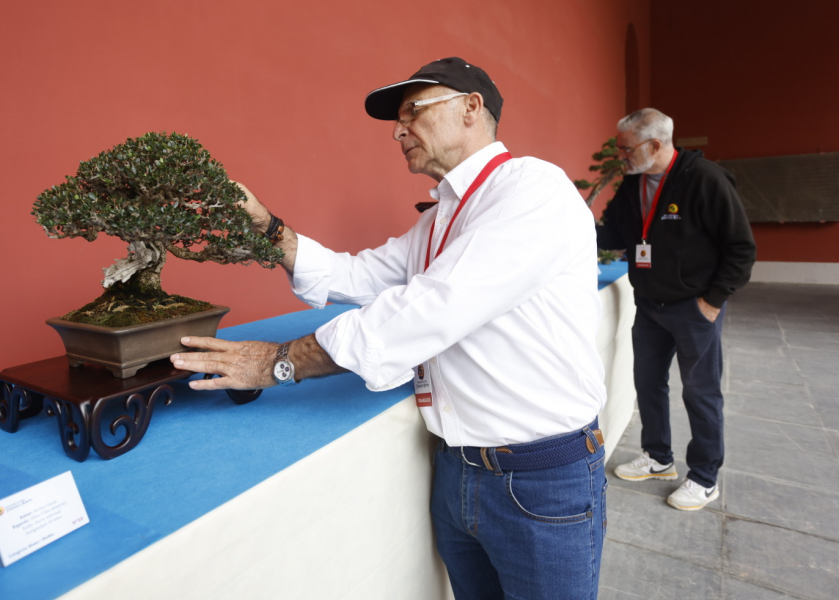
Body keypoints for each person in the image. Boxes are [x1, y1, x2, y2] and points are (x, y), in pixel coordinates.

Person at [171, 57, 608, 599]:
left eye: (413, 112)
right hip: (458, 473)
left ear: (472, 108)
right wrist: (268, 227)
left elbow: (430, 308)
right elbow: (354, 274)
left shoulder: (531, 189)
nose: (399, 131)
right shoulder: (437, 219)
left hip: (540, 480)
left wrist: (274, 362)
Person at [598, 108, 756, 511]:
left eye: (626, 148)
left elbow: (741, 248)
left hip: (693, 308)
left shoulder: (706, 180)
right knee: (648, 384)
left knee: (701, 394)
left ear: (654, 145)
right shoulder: (633, 184)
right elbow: (612, 233)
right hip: (649, 306)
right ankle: (658, 458)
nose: (621, 156)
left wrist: (712, 301)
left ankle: (704, 478)